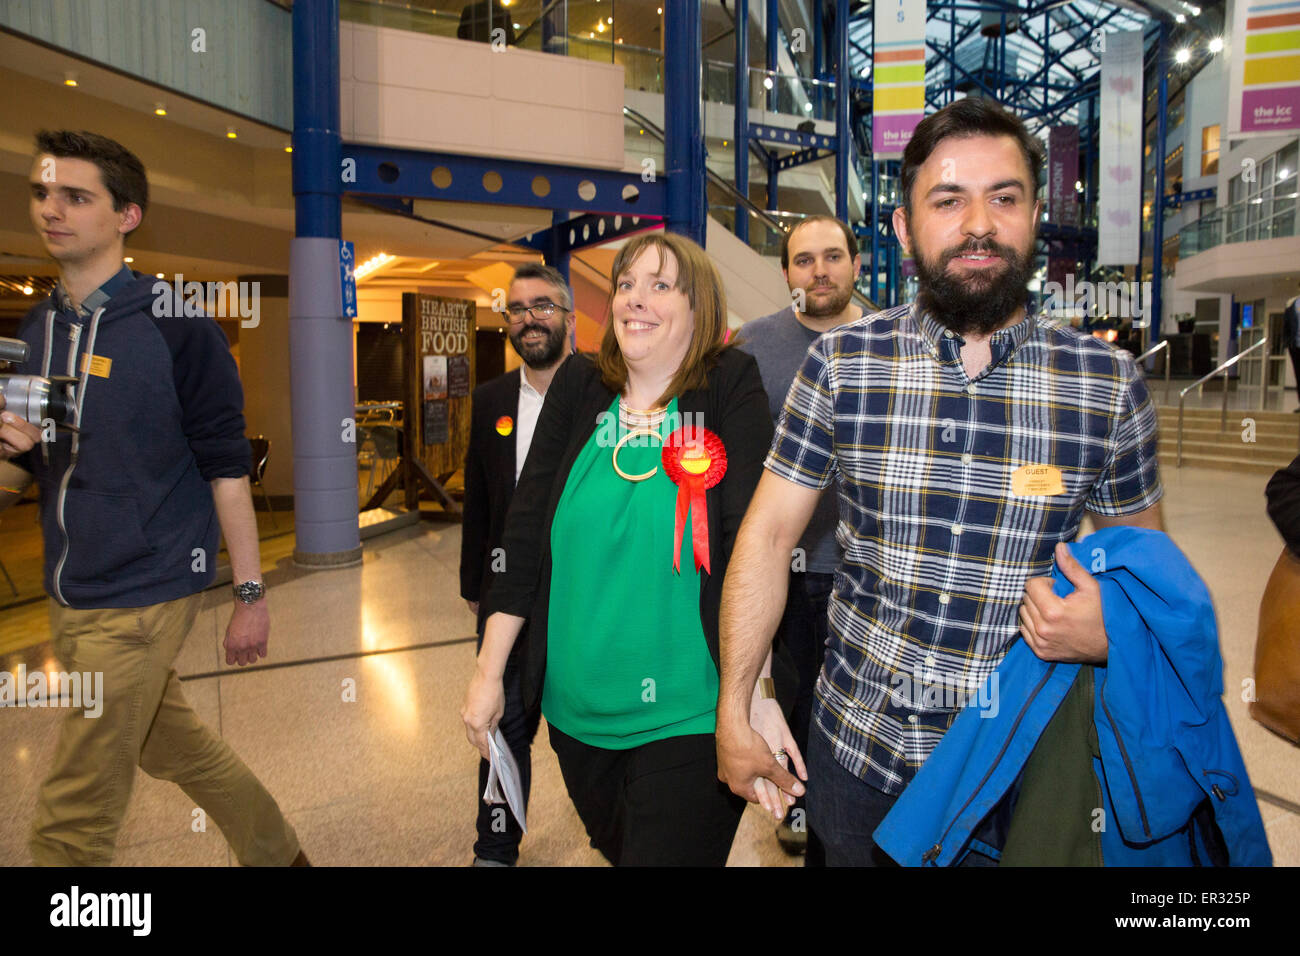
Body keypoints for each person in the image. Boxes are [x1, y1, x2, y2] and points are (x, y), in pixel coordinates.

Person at [715, 97, 1165, 866]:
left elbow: (1149, 573)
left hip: (1024, 771)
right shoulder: (843, 365)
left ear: (1035, 218)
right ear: (903, 227)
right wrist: (735, 703)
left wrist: (1111, 631)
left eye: (1005, 197)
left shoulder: (1107, 385)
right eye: (948, 199)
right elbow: (768, 536)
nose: (979, 223)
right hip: (861, 760)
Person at [0, 130, 303, 866]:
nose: (52, 210)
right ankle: (281, 857)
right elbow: (23, 475)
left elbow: (226, 468)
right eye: (43, 193)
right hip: (70, 593)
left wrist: (251, 593)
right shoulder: (39, 329)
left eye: (77, 197)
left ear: (126, 216)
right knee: (176, 750)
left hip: (142, 594)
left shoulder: (177, 326)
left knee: (73, 813)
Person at [461, 231, 780, 866]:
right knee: (619, 847)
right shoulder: (580, 387)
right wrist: (488, 672)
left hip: (692, 708)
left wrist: (757, 697)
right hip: (577, 714)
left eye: (661, 286)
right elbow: (522, 537)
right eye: (626, 284)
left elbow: (757, 544)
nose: (635, 299)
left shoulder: (725, 385)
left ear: (700, 308)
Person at [735, 214, 860, 860]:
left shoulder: (886, 344)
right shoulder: (752, 346)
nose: (820, 271)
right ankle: (800, 803)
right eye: (805, 259)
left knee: (862, 705)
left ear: (855, 266)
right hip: (789, 569)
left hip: (868, 569)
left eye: (833, 256)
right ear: (786, 272)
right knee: (799, 695)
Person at [459, 262, 575, 866]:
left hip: (582, 591)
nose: (530, 318)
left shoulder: (600, 393)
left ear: (569, 318)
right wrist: (472, 585)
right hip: (509, 592)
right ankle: (496, 847)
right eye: (518, 308)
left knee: (584, 723)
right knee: (500, 721)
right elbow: (478, 496)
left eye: (543, 306)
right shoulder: (491, 399)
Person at [1284, 283, 1300, 413]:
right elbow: (1287, 326)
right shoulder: (1292, 304)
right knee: (1299, 376)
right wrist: (1288, 342)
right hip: (1296, 346)